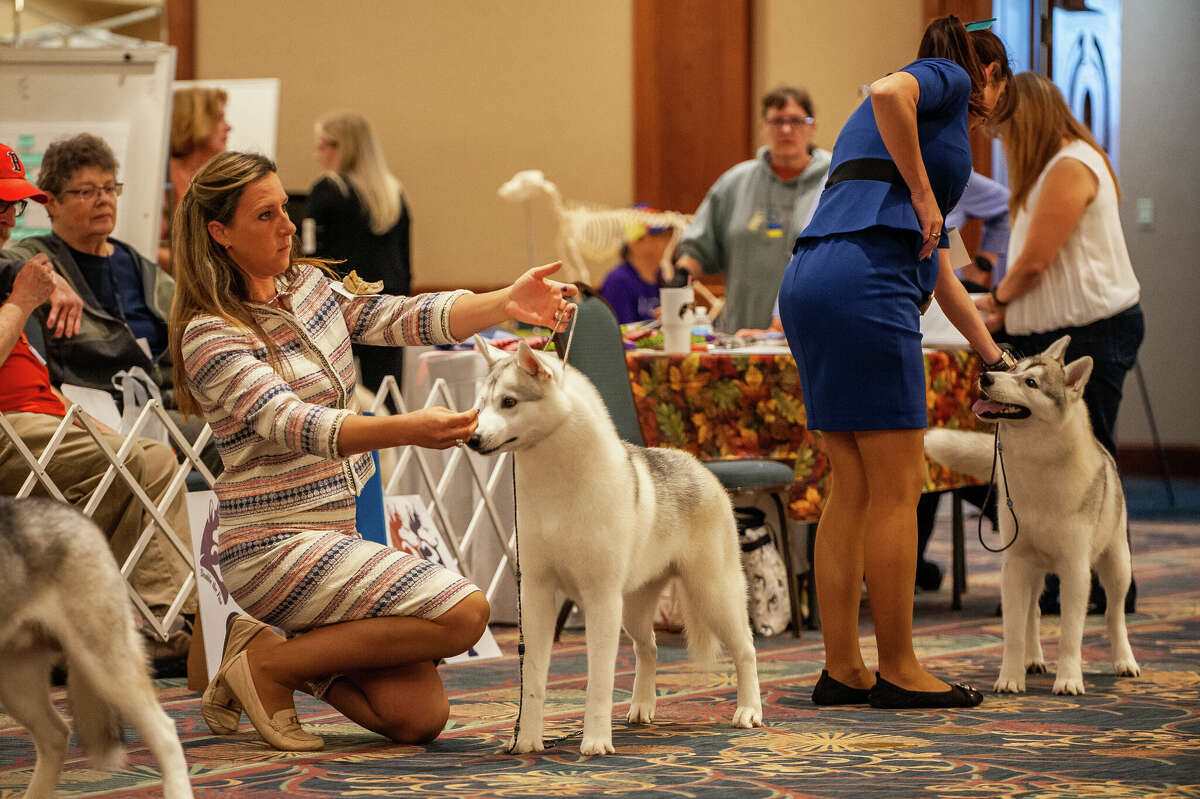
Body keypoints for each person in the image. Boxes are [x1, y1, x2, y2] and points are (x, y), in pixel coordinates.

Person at [169, 151, 576, 751]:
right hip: (269, 547)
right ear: (219, 233)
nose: (288, 225)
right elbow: (293, 423)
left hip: (336, 537)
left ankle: (261, 651)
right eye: (266, 216)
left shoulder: (308, 285)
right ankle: (269, 668)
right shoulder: (210, 333)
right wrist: (404, 427)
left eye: (285, 208)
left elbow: (404, 317)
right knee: (465, 613)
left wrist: (503, 302)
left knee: (416, 718)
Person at [777, 18, 1013, 708]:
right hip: (864, 279)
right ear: (987, 74)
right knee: (898, 485)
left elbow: (936, 263)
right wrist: (919, 189)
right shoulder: (945, 81)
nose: (993, 106)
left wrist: (994, 355)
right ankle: (901, 666)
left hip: (813, 277)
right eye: (1001, 88)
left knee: (850, 485)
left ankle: (844, 667)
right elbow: (886, 90)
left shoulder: (910, 130)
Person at [0, 144, 196, 670]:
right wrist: (24, 300)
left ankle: (67, 630)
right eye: (86, 191)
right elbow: (28, 268)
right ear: (57, 206)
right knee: (148, 461)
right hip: (15, 428)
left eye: (11, 207)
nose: (5, 220)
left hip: (52, 414)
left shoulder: (131, 262)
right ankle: (166, 622)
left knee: (154, 455)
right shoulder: (16, 271)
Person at [977, 71, 1144, 614]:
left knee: (1089, 464)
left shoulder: (1072, 164)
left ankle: (1103, 583)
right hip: (1048, 331)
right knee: (1037, 464)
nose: (1000, 141)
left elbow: (1035, 262)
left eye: (1005, 129)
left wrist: (998, 299)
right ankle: (1055, 577)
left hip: (1093, 330)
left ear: (1027, 123)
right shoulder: (1052, 167)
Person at [676, 86, 831, 334]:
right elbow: (698, 248)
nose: (786, 130)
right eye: (777, 121)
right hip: (740, 336)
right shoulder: (734, 183)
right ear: (763, 128)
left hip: (811, 338)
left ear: (813, 127)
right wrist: (678, 283)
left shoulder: (834, 182)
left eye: (796, 121)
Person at [305, 112, 411, 395]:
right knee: (387, 394)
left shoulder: (327, 189)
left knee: (340, 395)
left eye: (322, 145)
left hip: (340, 305)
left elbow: (311, 253)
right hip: (390, 303)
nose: (319, 154)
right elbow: (405, 258)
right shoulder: (394, 192)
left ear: (342, 147)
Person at [159, 87, 232, 272]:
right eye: (220, 118)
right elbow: (146, 249)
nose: (228, 127)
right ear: (196, 122)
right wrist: (202, 269)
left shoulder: (218, 177)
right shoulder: (162, 181)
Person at [598, 210, 675, 324]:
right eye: (658, 236)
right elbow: (621, 333)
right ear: (634, 243)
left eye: (667, 235)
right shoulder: (617, 281)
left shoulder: (665, 277)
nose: (667, 241)